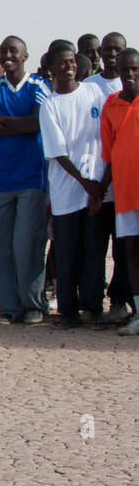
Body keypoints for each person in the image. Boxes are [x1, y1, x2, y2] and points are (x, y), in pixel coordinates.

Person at [0, 35, 52, 324]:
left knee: (26, 245)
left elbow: (39, 121)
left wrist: (4, 121)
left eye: (13, 51)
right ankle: (8, 306)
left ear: (25, 56)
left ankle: (33, 305)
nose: (7, 56)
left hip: (32, 179)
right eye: (4, 51)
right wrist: (21, 125)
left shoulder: (38, 86)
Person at [40, 44, 108, 328]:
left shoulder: (94, 93)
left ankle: (93, 308)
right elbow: (58, 152)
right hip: (67, 193)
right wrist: (86, 184)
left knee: (94, 251)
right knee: (66, 252)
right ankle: (68, 310)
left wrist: (99, 188)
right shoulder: (50, 105)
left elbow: (106, 137)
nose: (68, 66)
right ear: (51, 70)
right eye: (62, 63)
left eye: (71, 62)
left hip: (97, 192)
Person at [85, 32, 132, 321]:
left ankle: (120, 301)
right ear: (100, 52)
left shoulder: (131, 86)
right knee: (94, 247)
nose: (113, 55)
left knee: (125, 249)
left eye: (118, 50)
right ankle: (91, 305)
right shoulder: (89, 86)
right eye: (109, 49)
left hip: (125, 183)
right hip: (94, 181)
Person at [96, 48, 139, 335]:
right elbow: (109, 156)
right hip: (125, 192)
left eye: (135, 69)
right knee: (131, 253)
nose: (130, 74)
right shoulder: (110, 105)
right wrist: (99, 190)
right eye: (126, 70)